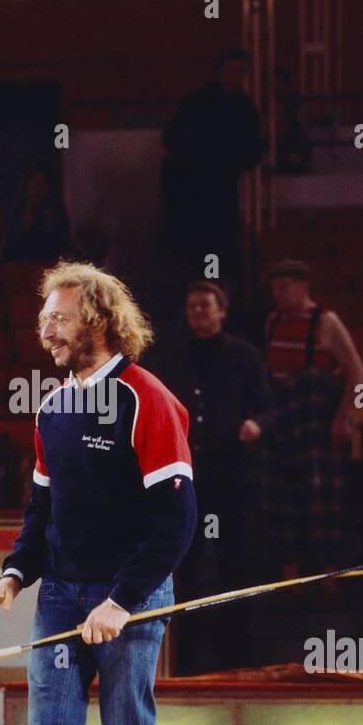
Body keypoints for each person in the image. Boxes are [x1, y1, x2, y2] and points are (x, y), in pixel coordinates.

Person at [0, 261, 197, 725]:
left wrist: (122, 600)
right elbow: (42, 512)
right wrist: (16, 573)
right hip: (63, 599)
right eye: (43, 320)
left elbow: (176, 521)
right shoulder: (52, 407)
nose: (48, 331)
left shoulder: (146, 398)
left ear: (97, 317)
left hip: (130, 596)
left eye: (60, 318)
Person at [147, 281, 273, 673]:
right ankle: (184, 658)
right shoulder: (172, 356)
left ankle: (239, 657)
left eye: (205, 305)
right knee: (185, 562)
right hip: (186, 478)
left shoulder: (244, 355)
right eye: (192, 306)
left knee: (235, 562)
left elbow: (269, 406)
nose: (198, 312)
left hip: (233, 476)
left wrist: (255, 424)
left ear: (222, 310)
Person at [261, 259, 363, 577]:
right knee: (282, 497)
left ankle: (328, 576)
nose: (277, 295)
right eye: (274, 289)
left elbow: (357, 373)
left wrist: (346, 418)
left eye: (284, 288)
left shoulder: (326, 321)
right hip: (283, 420)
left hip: (315, 423)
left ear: (302, 287)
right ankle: (289, 573)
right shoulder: (273, 320)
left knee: (321, 496)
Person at [159, 48, 263, 303]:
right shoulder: (197, 102)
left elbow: (255, 148)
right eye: (234, 70)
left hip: (224, 190)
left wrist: (231, 162)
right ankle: (194, 300)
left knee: (224, 249)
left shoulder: (244, 107)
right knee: (194, 249)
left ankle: (221, 303)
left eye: (242, 71)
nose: (238, 77)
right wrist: (200, 157)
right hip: (192, 191)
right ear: (221, 71)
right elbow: (172, 139)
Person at [2, 167, 70, 263]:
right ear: (26, 185)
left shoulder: (56, 214)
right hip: (17, 267)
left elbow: (60, 246)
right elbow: (9, 247)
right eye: (35, 182)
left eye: (43, 183)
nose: (38, 188)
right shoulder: (14, 212)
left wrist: (48, 226)